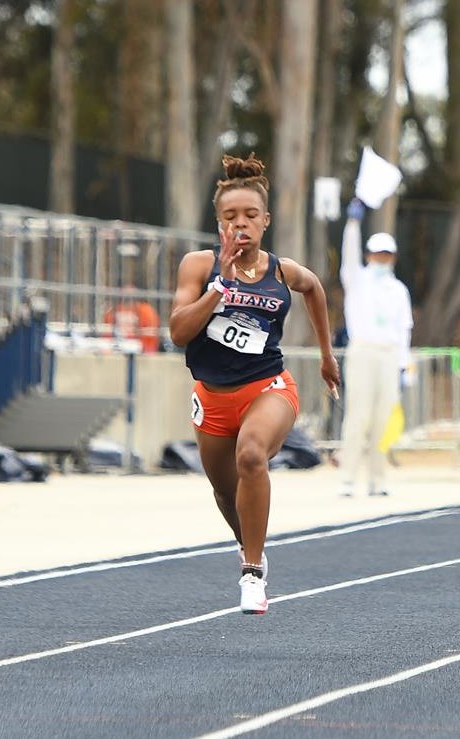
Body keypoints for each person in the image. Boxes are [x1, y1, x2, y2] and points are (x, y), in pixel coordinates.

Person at [168, 153, 340, 615]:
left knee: (251, 455)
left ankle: (251, 574)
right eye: (230, 217)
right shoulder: (199, 265)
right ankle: (253, 548)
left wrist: (326, 356)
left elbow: (314, 288)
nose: (240, 224)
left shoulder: (281, 271)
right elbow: (179, 332)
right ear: (218, 223)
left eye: (249, 215)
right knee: (225, 493)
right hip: (212, 396)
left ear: (266, 221)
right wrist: (220, 287)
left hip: (268, 388)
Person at [336, 197, 414, 498]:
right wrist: (353, 223)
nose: (382, 259)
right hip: (363, 351)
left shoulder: (398, 290)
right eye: (378, 253)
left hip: (389, 354)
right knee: (358, 416)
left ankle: (378, 479)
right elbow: (348, 256)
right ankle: (347, 478)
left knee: (384, 419)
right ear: (369, 254)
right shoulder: (357, 280)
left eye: (387, 255)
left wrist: (404, 367)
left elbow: (403, 331)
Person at [102, 286, 161, 353]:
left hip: (141, 348)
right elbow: (107, 332)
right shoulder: (114, 311)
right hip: (117, 346)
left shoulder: (146, 310)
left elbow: (152, 332)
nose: (128, 297)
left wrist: (134, 332)